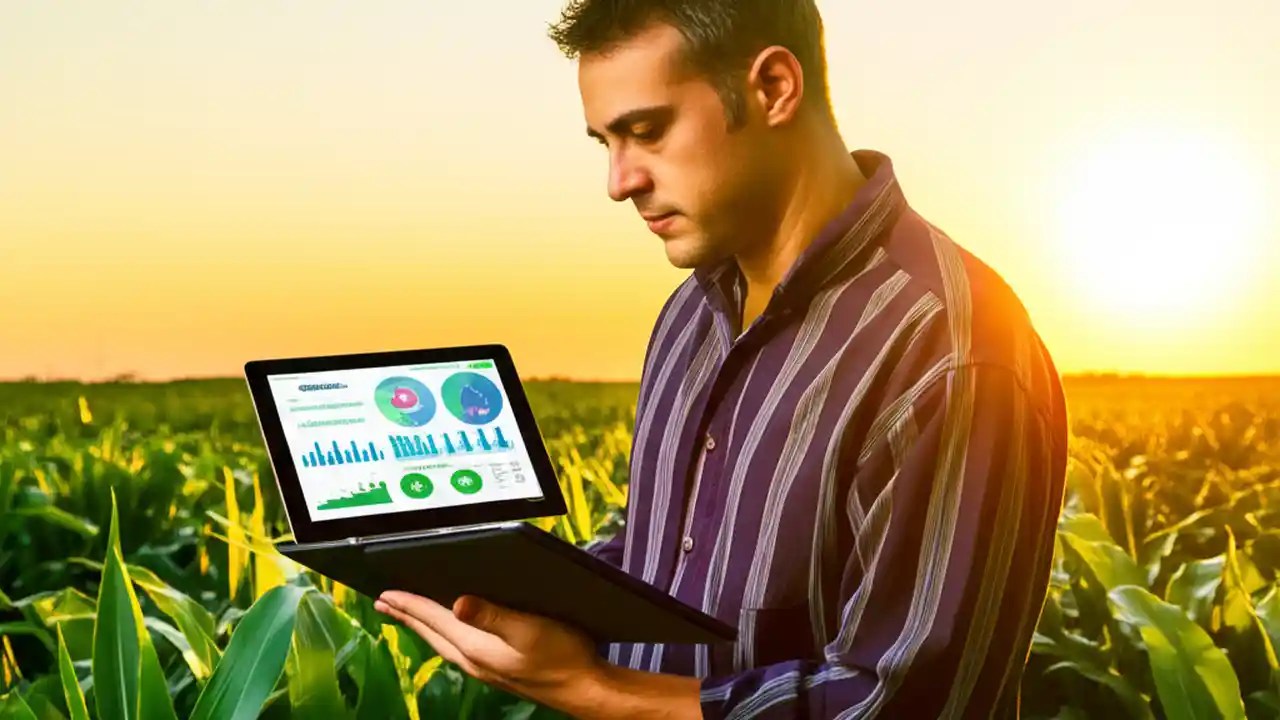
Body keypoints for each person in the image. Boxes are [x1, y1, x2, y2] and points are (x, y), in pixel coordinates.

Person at [372, 1, 1070, 717]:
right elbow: (668, 558)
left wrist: (595, 690)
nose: (619, 181)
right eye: (604, 143)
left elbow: (912, 704)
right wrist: (503, 585)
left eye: (646, 131)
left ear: (772, 88)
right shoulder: (689, 314)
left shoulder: (953, 346)